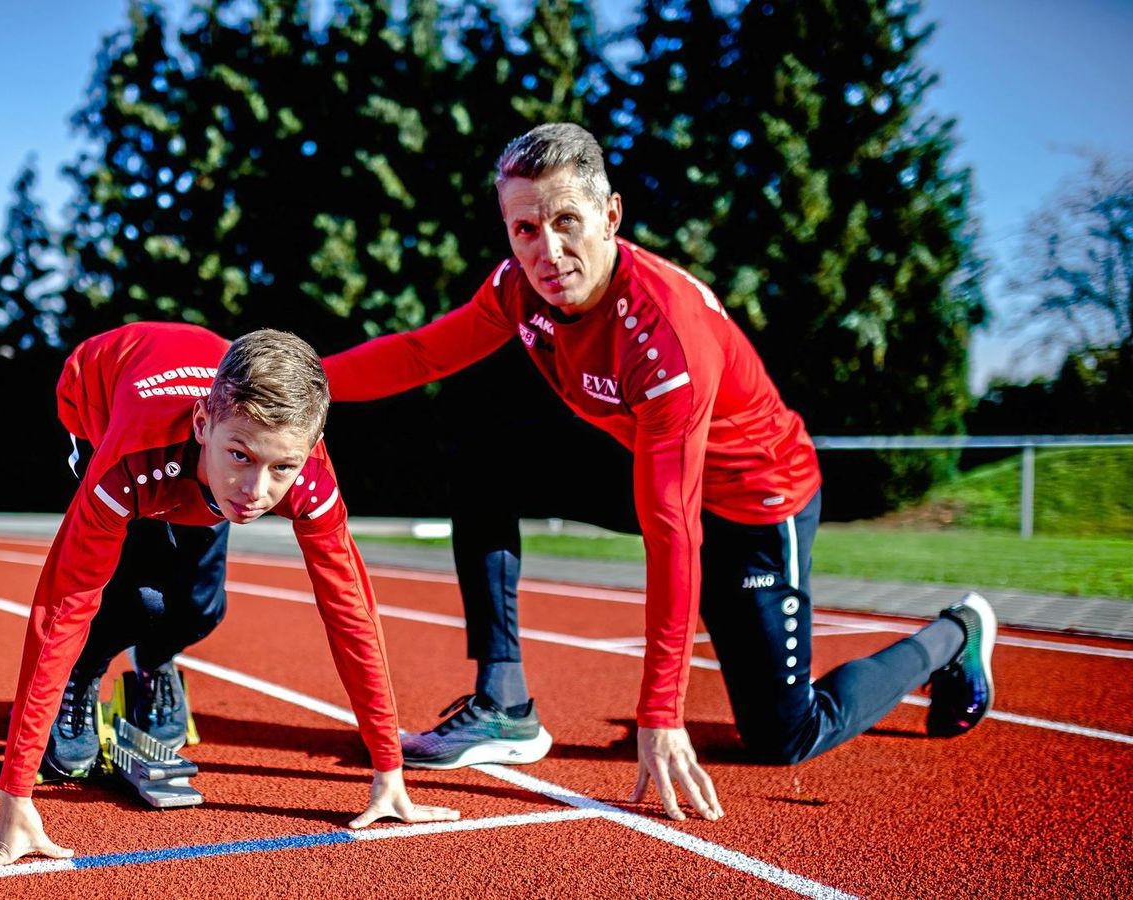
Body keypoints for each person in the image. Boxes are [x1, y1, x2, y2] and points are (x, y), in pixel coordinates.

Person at [322, 122, 996, 822]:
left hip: (755, 502)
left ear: (610, 216)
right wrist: (299, 382)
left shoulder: (665, 336)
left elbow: (673, 531)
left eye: (565, 222)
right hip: (655, 463)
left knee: (781, 737)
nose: (547, 252)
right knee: (488, 457)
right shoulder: (517, 288)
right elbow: (421, 355)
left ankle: (956, 633)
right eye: (524, 230)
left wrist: (661, 713)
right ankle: (503, 706)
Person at [0, 323, 458, 870]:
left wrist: (389, 772)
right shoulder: (130, 463)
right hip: (101, 399)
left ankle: (154, 664)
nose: (257, 492)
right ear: (203, 423)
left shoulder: (295, 472)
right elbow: (62, 607)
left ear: (311, 447)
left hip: (196, 457)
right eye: (242, 457)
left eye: (283, 467)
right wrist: (13, 802)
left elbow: (352, 613)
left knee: (201, 606)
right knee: (138, 597)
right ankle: (83, 677)